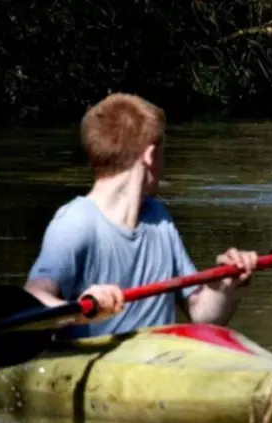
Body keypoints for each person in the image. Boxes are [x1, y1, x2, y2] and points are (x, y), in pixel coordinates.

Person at [24, 93, 258, 339]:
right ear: (150, 154)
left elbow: (202, 315)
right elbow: (33, 298)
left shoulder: (159, 218)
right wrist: (79, 311)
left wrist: (227, 287)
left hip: (159, 365)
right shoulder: (76, 222)